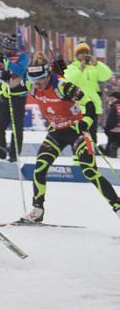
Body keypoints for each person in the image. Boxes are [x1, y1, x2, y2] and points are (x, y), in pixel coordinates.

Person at [22, 52, 120, 222]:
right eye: (33, 80)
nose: (37, 84)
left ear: (48, 75)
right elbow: (14, 85)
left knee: (89, 171)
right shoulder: (31, 85)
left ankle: (118, 206)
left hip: (76, 131)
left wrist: (86, 122)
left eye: (40, 80)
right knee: (39, 168)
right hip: (57, 132)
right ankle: (37, 209)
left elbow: (88, 104)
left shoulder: (63, 86)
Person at [0, 34, 28, 162]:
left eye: (10, 48)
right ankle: (0, 152)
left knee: (16, 127)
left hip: (18, 97)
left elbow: (20, 70)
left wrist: (6, 63)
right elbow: (0, 75)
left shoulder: (23, 57)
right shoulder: (3, 57)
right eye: (5, 48)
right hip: (4, 96)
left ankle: (14, 154)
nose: (7, 51)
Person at [63, 43, 113, 142]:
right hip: (79, 106)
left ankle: (93, 152)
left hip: (93, 106)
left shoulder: (94, 67)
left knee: (92, 133)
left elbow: (107, 75)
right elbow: (68, 80)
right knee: (80, 133)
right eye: (81, 53)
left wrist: (97, 64)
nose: (83, 55)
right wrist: (80, 69)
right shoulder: (72, 67)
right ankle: (81, 151)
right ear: (76, 55)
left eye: (86, 53)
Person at [102, 91, 120, 158]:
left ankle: (111, 154)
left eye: (111, 99)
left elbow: (111, 121)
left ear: (115, 98)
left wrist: (107, 129)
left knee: (111, 148)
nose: (109, 101)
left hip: (114, 132)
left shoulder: (114, 107)